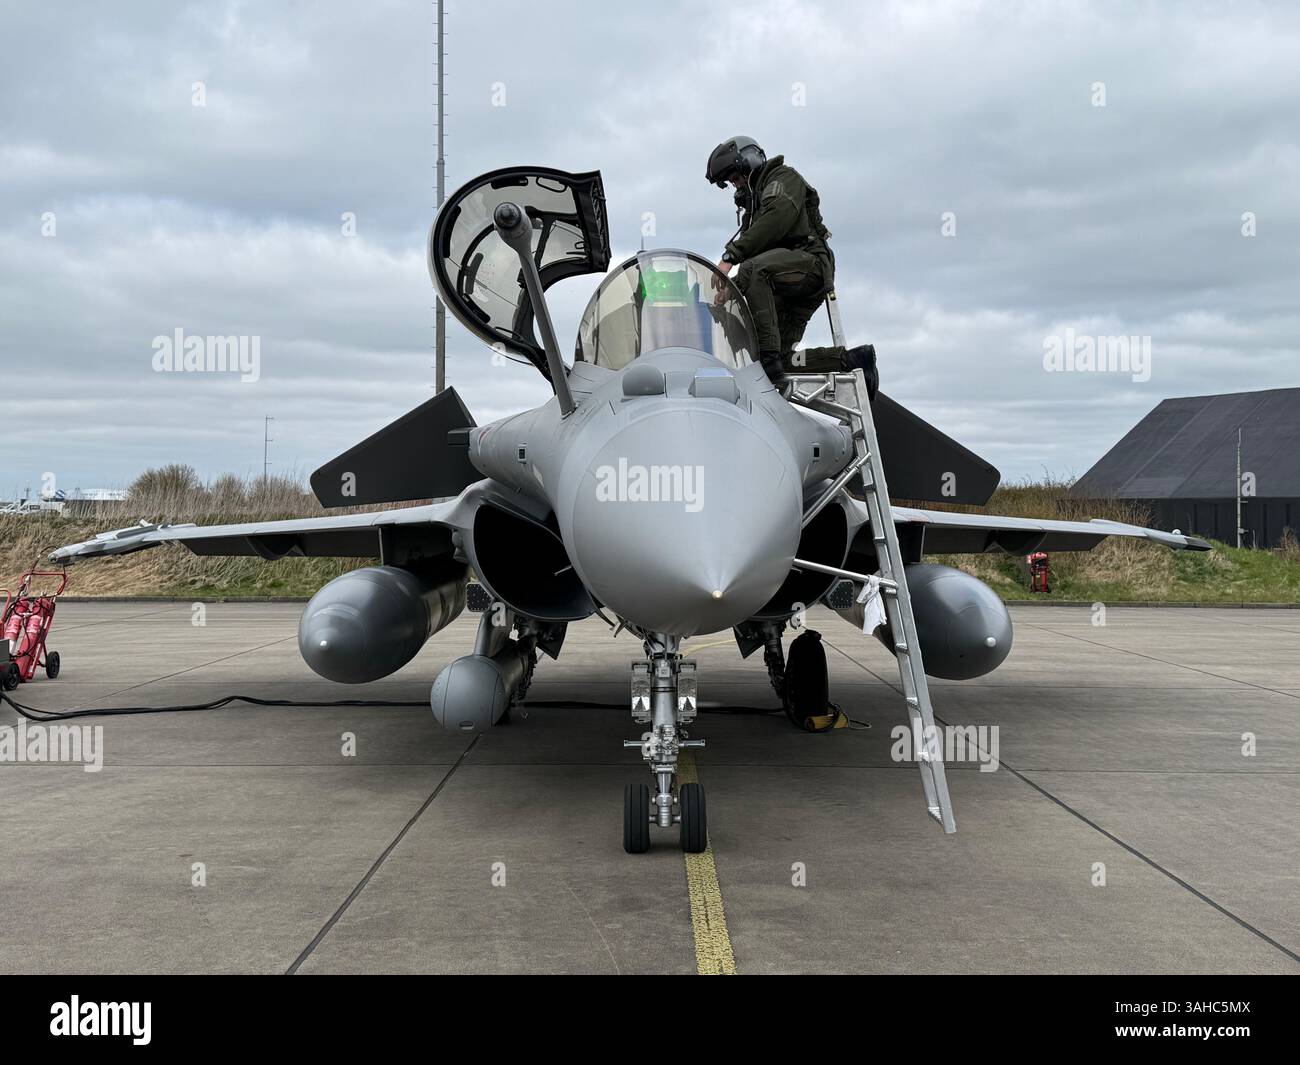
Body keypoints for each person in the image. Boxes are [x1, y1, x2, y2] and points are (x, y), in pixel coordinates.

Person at [706, 136, 877, 394]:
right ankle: (854, 360)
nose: (737, 185)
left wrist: (730, 258)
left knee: (753, 270)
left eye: (736, 178)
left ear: (750, 162)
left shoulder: (783, 179)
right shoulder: (755, 206)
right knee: (783, 361)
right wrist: (731, 289)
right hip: (785, 283)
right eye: (732, 183)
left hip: (810, 265)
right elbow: (758, 263)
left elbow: (776, 221)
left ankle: (771, 366)